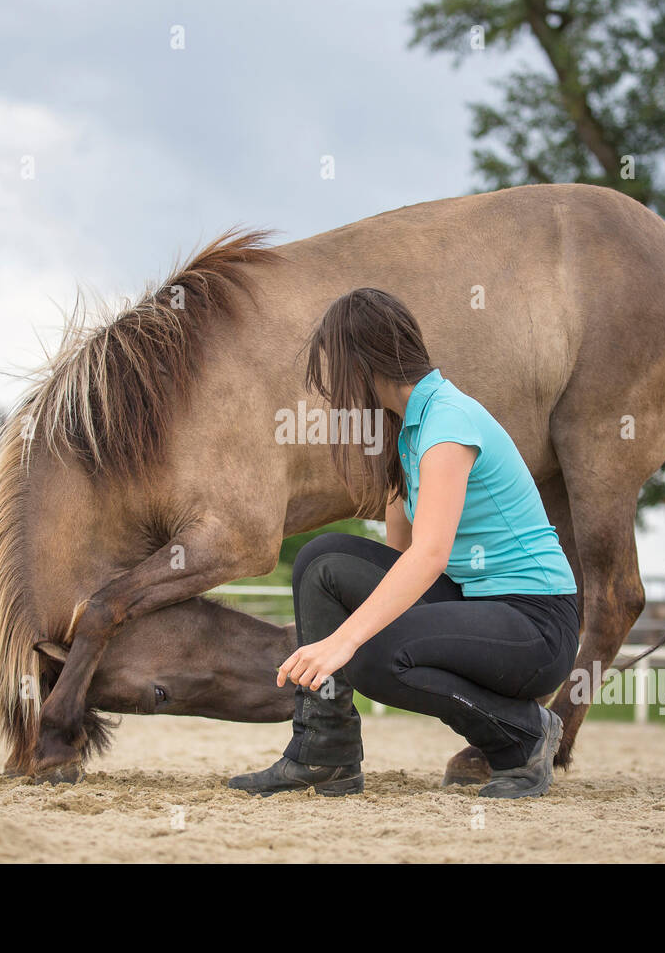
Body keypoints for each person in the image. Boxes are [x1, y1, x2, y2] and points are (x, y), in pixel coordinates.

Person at [228, 288, 579, 799]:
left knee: (372, 656)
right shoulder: (408, 431)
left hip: (534, 622)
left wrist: (343, 640)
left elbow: (429, 555)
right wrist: (326, 624)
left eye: (335, 376)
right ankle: (324, 752)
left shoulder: (447, 423)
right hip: (476, 604)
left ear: (361, 364)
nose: (332, 396)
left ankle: (523, 737)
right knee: (322, 560)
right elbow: (399, 563)